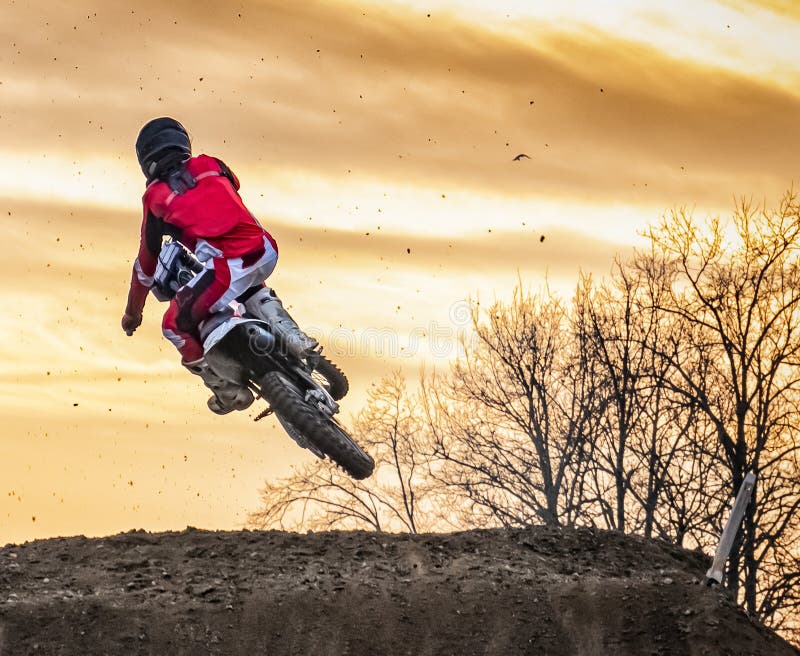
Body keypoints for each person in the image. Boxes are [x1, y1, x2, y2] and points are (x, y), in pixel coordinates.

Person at [121, 117, 317, 414]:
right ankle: (292, 335)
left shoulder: (155, 197)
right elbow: (233, 184)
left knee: (172, 325)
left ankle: (229, 392)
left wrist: (132, 314)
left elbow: (145, 267)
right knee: (247, 284)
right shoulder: (211, 163)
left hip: (227, 270)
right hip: (265, 249)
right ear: (181, 141)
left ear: (145, 159)